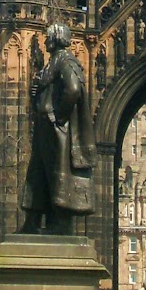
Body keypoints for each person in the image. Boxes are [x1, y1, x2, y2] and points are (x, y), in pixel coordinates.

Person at [19, 22, 96, 236]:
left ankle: (61, 222)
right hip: (45, 127)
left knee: (57, 173)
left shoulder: (66, 61)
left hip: (55, 130)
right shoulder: (52, 63)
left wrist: (58, 117)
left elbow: (73, 89)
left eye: (48, 37)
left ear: (55, 39)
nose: (45, 41)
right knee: (38, 173)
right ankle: (32, 220)